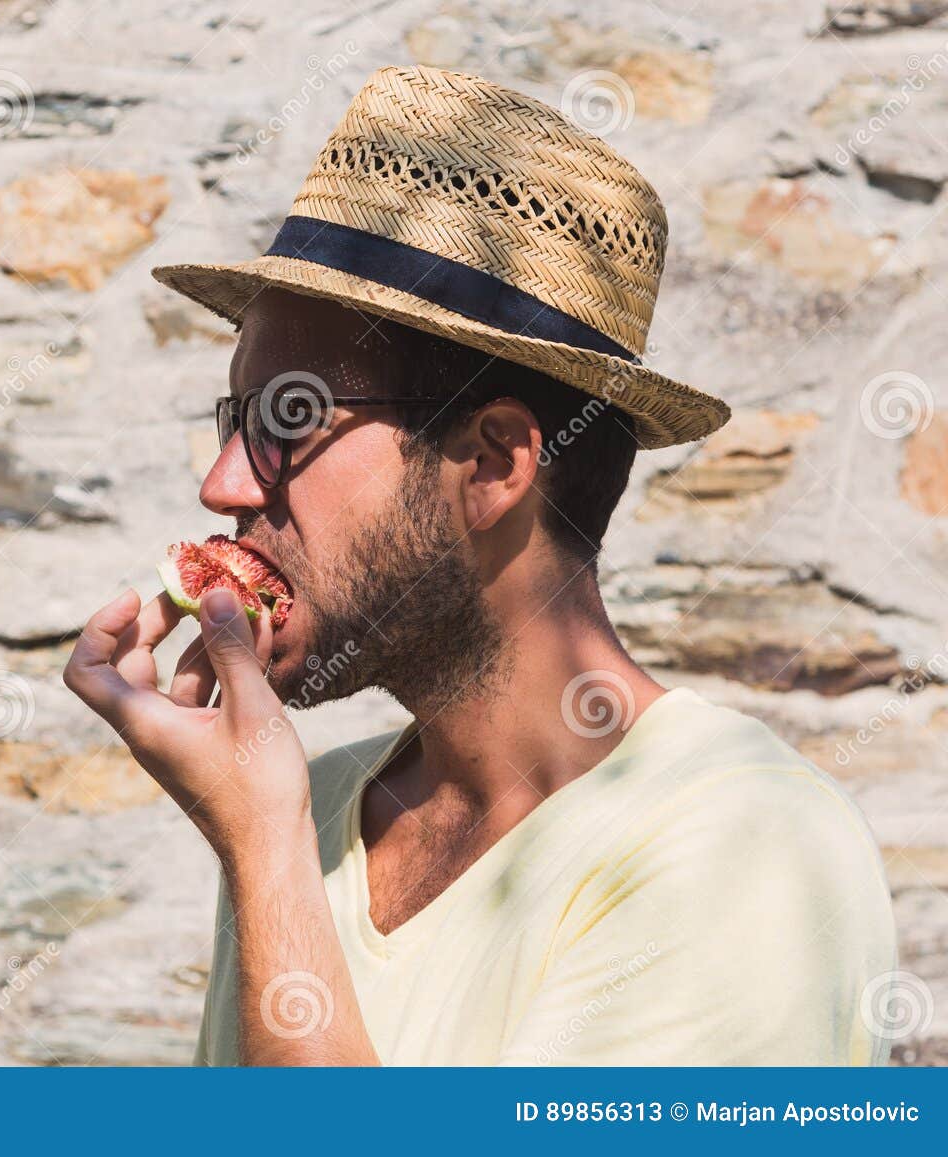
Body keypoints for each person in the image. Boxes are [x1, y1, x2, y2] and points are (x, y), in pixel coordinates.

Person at [64, 65, 896, 1064]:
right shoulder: (312, 805)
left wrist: (261, 849)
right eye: (232, 419)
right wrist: (271, 841)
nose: (223, 483)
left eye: (287, 419)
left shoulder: (737, 846)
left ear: (493, 463)